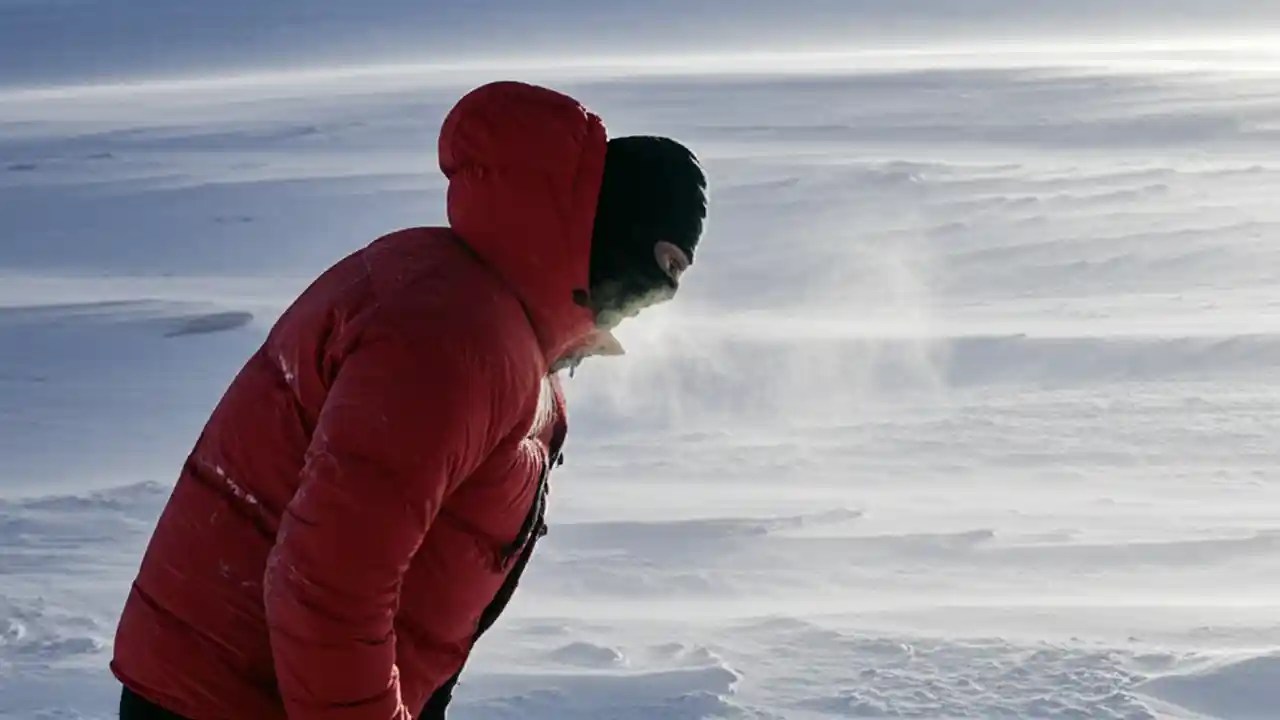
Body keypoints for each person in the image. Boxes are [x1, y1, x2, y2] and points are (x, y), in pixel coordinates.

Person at [111, 80, 707, 720]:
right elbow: (329, 583)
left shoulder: (502, 330)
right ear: (608, 225)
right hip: (232, 699)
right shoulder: (454, 335)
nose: (662, 295)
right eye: (664, 264)